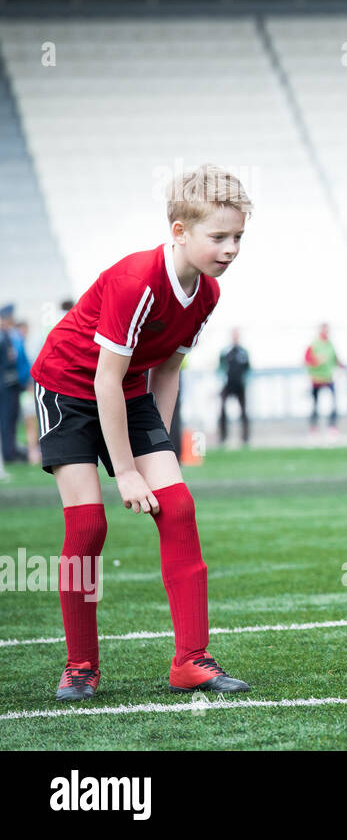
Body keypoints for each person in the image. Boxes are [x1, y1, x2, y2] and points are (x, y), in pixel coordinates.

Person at [29, 164, 253, 701]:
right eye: (218, 237)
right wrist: (126, 472)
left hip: (126, 392)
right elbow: (104, 378)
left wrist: (161, 447)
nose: (230, 249)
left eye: (238, 237)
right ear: (179, 231)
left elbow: (167, 371)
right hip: (68, 388)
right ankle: (80, 666)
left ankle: (191, 661)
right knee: (88, 528)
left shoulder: (207, 294)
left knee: (177, 508)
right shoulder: (137, 282)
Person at [0, 305, 27, 463]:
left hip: (11, 384)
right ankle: (8, 453)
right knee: (7, 418)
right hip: (6, 385)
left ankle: (11, 451)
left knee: (11, 418)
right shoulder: (4, 336)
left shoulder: (8, 335)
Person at [218, 328, 251, 447]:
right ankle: (222, 437)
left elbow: (248, 368)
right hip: (228, 384)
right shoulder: (225, 352)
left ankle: (245, 438)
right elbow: (220, 367)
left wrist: (245, 380)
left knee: (244, 411)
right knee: (222, 409)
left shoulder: (244, 352)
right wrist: (221, 378)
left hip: (240, 385)